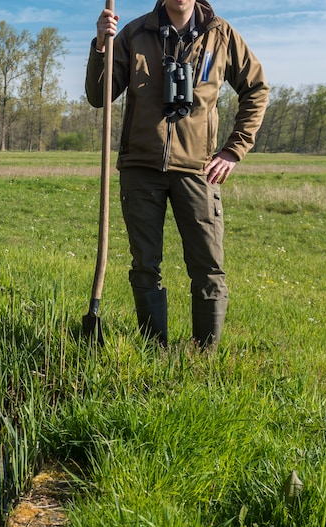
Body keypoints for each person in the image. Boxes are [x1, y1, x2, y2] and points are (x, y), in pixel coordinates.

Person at [86, 0, 268, 349]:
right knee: (145, 265)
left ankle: (204, 355)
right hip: (141, 167)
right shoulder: (135, 33)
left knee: (208, 265)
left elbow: (256, 89)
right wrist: (100, 45)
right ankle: (155, 350)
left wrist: (234, 150)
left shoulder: (222, 35)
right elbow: (100, 96)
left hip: (199, 171)